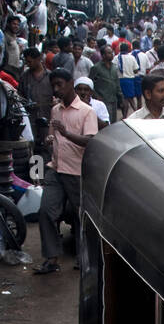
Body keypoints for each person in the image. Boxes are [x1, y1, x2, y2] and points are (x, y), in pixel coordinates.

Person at [34, 68, 98, 275]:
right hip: (56, 168)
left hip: (76, 171)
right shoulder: (55, 110)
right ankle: (51, 258)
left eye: (60, 84)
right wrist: (51, 138)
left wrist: (65, 133)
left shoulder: (87, 112)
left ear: (70, 83)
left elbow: (90, 141)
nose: (56, 89)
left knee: (82, 217)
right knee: (46, 211)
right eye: (54, 85)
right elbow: (54, 136)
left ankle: (84, 257)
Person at [19, 47, 55, 156]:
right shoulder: (25, 76)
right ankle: (34, 170)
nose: (28, 64)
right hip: (31, 118)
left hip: (47, 117)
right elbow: (20, 95)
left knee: (48, 146)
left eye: (30, 61)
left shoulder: (50, 76)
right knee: (31, 146)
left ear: (38, 59)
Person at [89, 42, 121, 123]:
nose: (112, 54)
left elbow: (117, 83)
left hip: (113, 99)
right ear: (103, 55)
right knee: (106, 122)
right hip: (103, 100)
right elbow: (90, 84)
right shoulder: (96, 68)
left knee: (113, 122)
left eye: (112, 52)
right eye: (109, 53)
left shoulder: (114, 67)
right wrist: (96, 96)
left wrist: (121, 97)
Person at [118, 40, 141, 115]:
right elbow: (136, 69)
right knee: (130, 98)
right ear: (128, 49)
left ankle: (125, 115)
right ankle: (136, 113)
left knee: (124, 99)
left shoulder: (117, 58)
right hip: (130, 80)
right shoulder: (131, 58)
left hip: (120, 80)